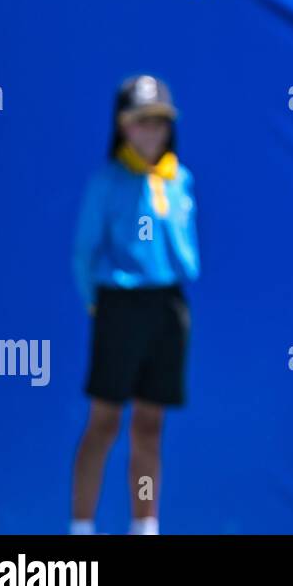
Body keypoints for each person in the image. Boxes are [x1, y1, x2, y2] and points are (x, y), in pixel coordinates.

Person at [69, 75, 200, 535]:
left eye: (159, 123)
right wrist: (96, 306)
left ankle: (144, 526)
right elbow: (84, 252)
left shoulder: (179, 181)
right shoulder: (106, 181)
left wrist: (165, 210)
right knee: (103, 424)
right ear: (123, 127)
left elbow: (190, 264)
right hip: (118, 309)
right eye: (142, 122)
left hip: (168, 311)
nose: (151, 132)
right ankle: (81, 527)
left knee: (149, 427)